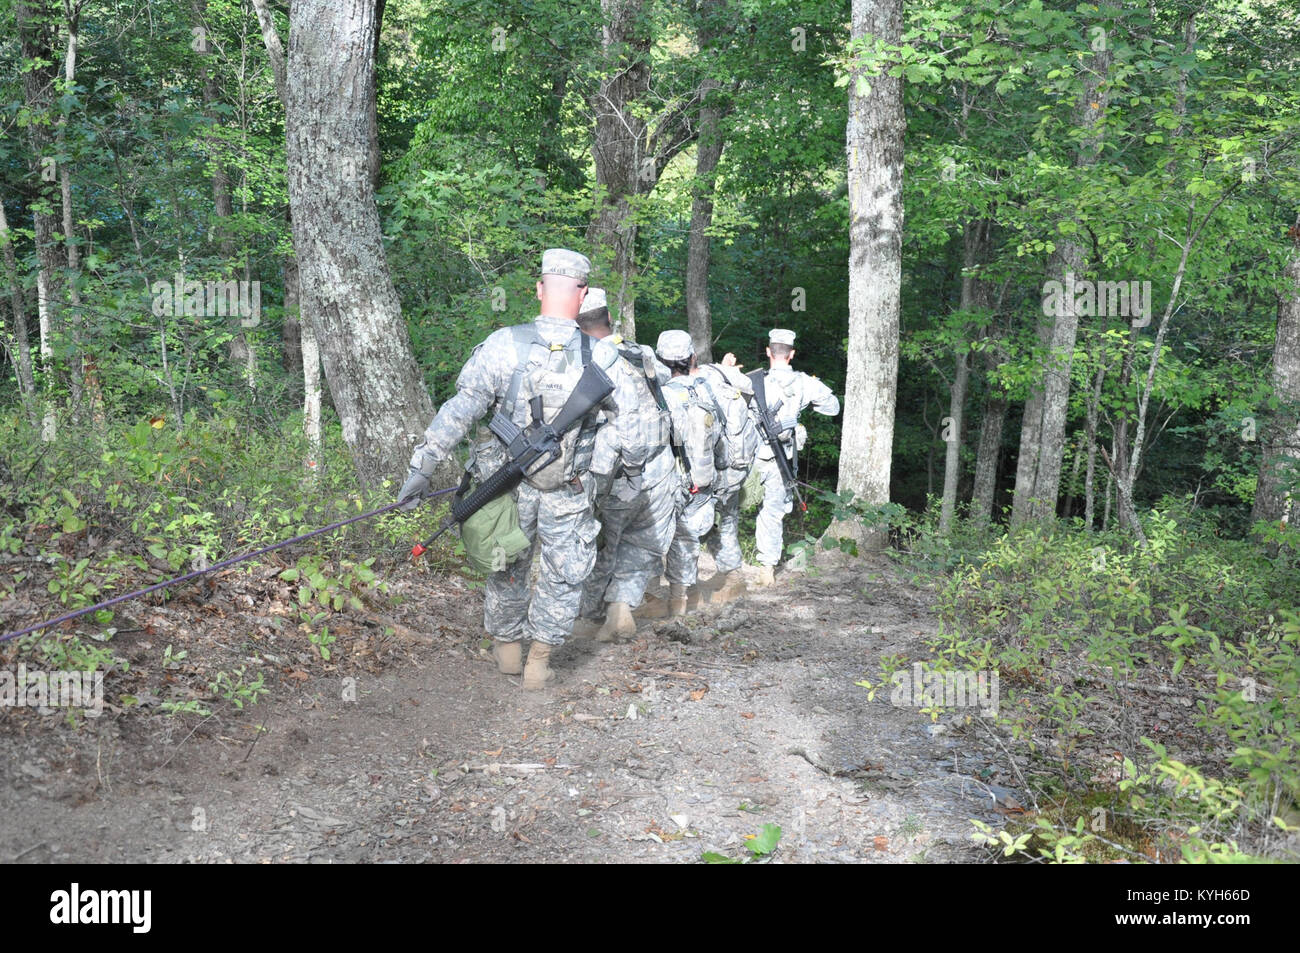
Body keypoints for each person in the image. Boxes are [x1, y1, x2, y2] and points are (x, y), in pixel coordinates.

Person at [396, 249, 627, 690]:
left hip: (506, 491)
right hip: (569, 487)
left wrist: (423, 466)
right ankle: (538, 662)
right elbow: (627, 430)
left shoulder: (503, 344)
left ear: (539, 289)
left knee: (507, 565)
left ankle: (507, 653)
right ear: (582, 295)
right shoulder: (604, 356)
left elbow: (461, 410)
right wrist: (603, 474)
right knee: (562, 574)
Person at [572, 289, 678, 641]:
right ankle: (620, 606)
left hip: (612, 471)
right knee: (641, 543)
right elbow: (667, 378)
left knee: (600, 543)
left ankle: (589, 617)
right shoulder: (641, 353)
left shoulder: (581, 361)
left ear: (576, 325)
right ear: (609, 318)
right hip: (658, 467)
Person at [751, 328, 840, 585]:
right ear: (792, 354)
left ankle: (727, 563)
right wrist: (805, 403)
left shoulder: (750, 380)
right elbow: (833, 406)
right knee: (772, 512)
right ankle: (766, 568)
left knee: (732, 506)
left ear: (768, 352)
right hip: (780, 458)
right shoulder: (803, 382)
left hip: (750, 458)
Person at [656, 329, 724, 616]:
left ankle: (671, 601)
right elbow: (720, 433)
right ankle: (685, 595)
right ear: (692, 358)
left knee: (664, 539)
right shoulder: (708, 391)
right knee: (689, 539)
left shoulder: (661, 396)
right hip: (703, 477)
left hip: (673, 480)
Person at [691, 354, 759, 604]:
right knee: (725, 519)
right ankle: (731, 575)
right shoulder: (721, 379)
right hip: (734, 465)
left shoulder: (691, 388)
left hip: (708, 470)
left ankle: (689, 590)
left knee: (689, 525)